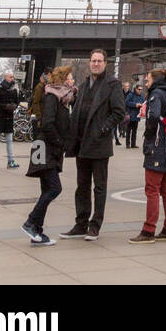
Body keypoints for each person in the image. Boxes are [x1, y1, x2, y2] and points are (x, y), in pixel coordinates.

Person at [60, 47, 125, 239]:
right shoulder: (84, 84)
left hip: (99, 143)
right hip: (82, 144)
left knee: (99, 187)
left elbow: (119, 112)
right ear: (89, 63)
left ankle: (95, 226)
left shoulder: (112, 84)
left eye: (99, 61)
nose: (95, 63)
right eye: (93, 60)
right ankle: (81, 223)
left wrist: (103, 129)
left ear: (105, 64)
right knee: (82, 186)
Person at [22, 65, 75, 246]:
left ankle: (37, 232)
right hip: (45, 148)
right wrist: (61, 143)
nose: (72, 81)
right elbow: (48, 124)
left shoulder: (60, 99)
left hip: (47, 148)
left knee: (47, 189)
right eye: (70, 78)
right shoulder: (52, 97)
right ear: (62, 80)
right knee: (54, 188)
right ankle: (30, 222)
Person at [129, 68, 166, 243]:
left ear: (155, 80)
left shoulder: (155, 94)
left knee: (152, 189)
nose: (146, 83)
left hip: (157, 146)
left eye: (148, 79)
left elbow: (154, 117)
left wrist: (149, 130)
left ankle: (148, 229)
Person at [0, 71, 20, 169]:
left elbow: (17, 102)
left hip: (9, 118)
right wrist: (6, 106)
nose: (12, 78)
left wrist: (14, 106)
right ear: (5, 77)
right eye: (10, 77)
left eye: (13, 77)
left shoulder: (14, 90)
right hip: (0, 117)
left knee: (9, 141)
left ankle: (10, 161)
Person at [124, 83, 143, 148]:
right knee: (128, 130)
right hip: (130, 115)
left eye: (141, 89)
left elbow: (143, 102)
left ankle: (133, 144)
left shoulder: (141, 96)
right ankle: (127, 144)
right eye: (139, 89)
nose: (140, 90)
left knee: (134, 131)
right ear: (136, 89)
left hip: (137, 116)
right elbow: (126, 102)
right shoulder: (131, 95)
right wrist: (135, 104)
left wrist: (142, 105)